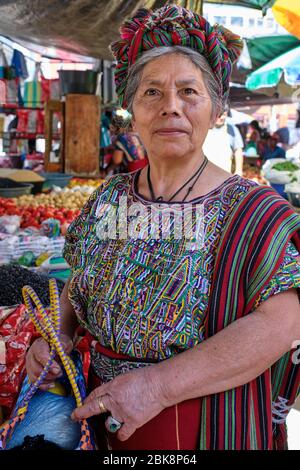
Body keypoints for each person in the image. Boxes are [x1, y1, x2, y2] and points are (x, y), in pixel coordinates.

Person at [25, 5, 300, 451]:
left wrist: (155, 388)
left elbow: (284, 321)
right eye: (151, 92)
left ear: (217, 111)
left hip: (203, 428)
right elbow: (79, 284)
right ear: (131, 111)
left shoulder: (252, 211)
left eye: (189, 91)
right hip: (100, 421)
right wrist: (57, 335)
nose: (170, 106)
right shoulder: (109, 199)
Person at [203, 108, 244, 175]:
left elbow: (238, 150)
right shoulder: (204, 127)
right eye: (219, 115)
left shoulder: (232, 129)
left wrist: (238, 170)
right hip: (204, 173)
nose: (221, 118)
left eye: (224, 115)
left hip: (225, 174)